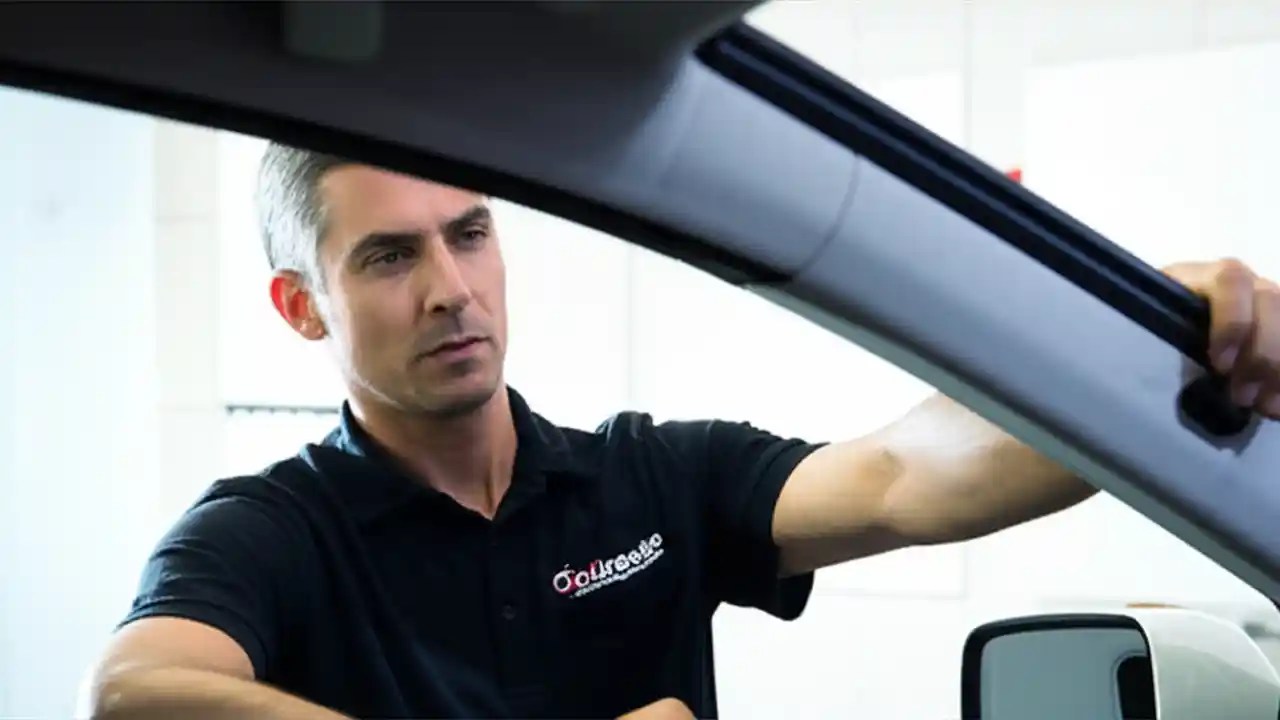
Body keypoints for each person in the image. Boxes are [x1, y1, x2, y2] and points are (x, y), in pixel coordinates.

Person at [79, 143, 1280, 720]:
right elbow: (138, 695)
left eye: (471, 233)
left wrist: (1155, 354)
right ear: (302, 306)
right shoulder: (270, 530)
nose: (450, 287)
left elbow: (915, 474)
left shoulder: (651, 476)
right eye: (389, 256)